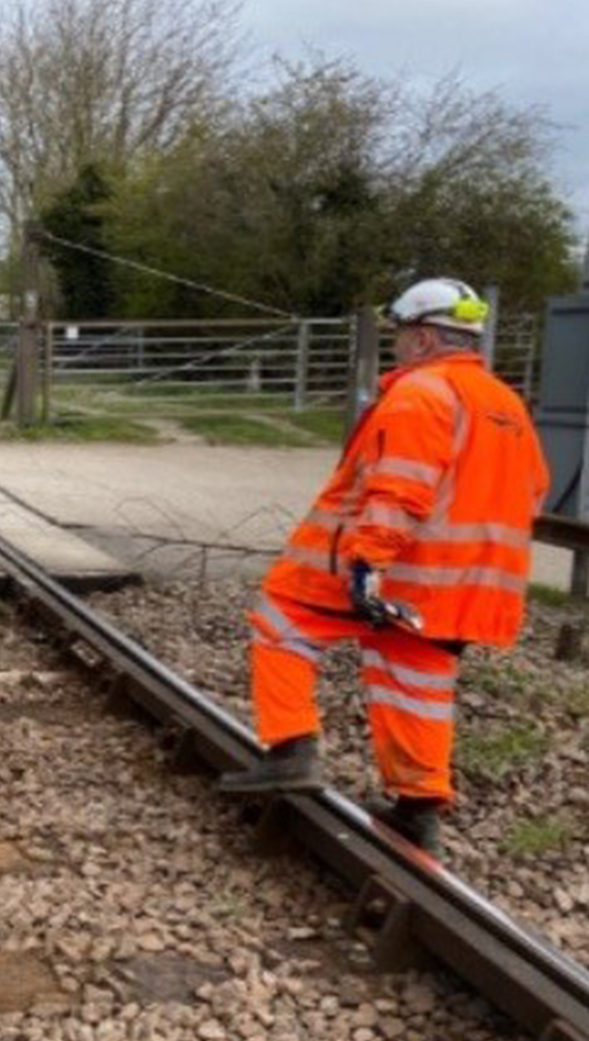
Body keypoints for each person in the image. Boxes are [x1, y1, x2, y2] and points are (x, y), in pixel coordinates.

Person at [217, 278, 549, 854]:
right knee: (417, 683)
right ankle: (418, 810)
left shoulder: (422, 393)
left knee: (281, 620)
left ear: (424, 338)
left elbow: (401, 489)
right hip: (463, 587)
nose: (397, 344)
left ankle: (292, 750)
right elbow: (533, 491)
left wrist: (367, 565)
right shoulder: (506, 405)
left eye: (401, 333)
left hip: (395, 570)